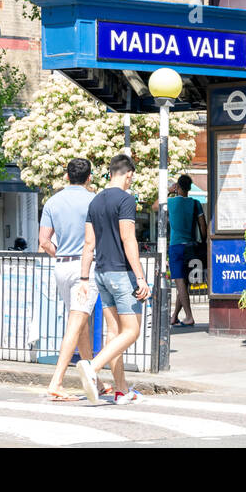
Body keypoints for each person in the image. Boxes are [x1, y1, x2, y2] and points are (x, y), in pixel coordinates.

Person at [39, 158, 125, 402]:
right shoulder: (94, 201)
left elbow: (44, 241)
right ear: (89, 178)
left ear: (67, 176)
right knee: (76, 323)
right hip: (85, 268)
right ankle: (56, 382)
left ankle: (95, 381)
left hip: (62, 266)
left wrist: (61, 253)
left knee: (82, 325)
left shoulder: (52, 202)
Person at [76, 154, 151, 405]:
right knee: (132, 331)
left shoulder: (95, 201)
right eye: (132, 177)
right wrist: (140, 277)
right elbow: (129, 239)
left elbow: (89, 243)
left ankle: (121, 390)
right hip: (122, 273)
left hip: (101, 272)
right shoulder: (126, 200)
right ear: (128, 174)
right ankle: (92, 367)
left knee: (114, 333)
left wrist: (85, 277)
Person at [168, 174, 207, 328]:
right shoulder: (195, 203)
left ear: (178, 186)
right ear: (190, 188)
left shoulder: (171, 202)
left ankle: (189, 316)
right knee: (184, 283)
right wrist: (203, 241)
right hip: (191, 247)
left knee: (179, 283)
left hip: (176, 246)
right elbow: (203, 226)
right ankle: (174, 316)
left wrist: (169, 191)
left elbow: (155, 206)